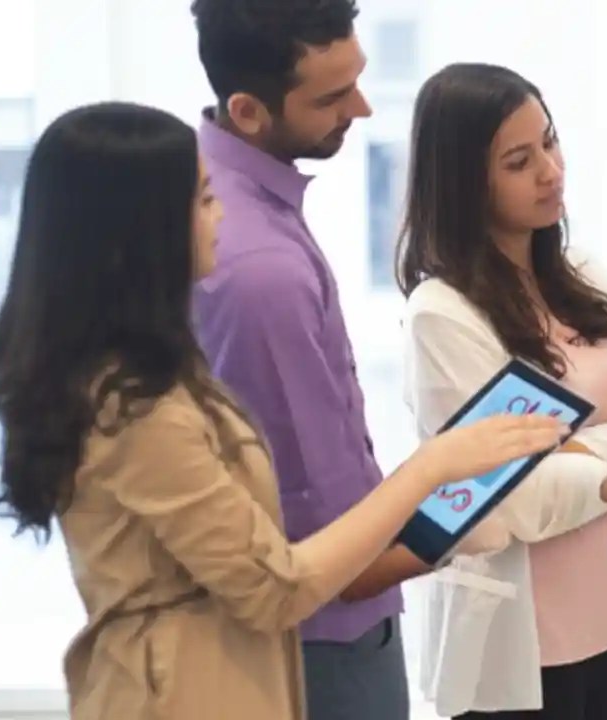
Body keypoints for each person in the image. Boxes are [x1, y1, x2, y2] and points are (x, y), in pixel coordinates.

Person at [0, 101, 565, 720]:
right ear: (145, 234)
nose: (220, 216)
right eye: (202, 201)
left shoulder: (152, 373)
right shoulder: (134, 413)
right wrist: (430, 469)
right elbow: (274, 586)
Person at [395, 63, 607, 719]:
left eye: (551, 142)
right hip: (524, 650)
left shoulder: (581, 275)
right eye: (518, 160)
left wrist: (579, 451)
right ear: (463, 184)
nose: (551, 170)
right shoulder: (442, 313)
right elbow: (513, 503)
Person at [187, 2, 430, 717]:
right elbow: (317, 521)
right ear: (248, 109)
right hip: (321, 642)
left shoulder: (226, 194)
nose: (359, 107)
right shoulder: (259, 267)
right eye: (330, 97)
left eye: (356, 80)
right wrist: (449, 523)